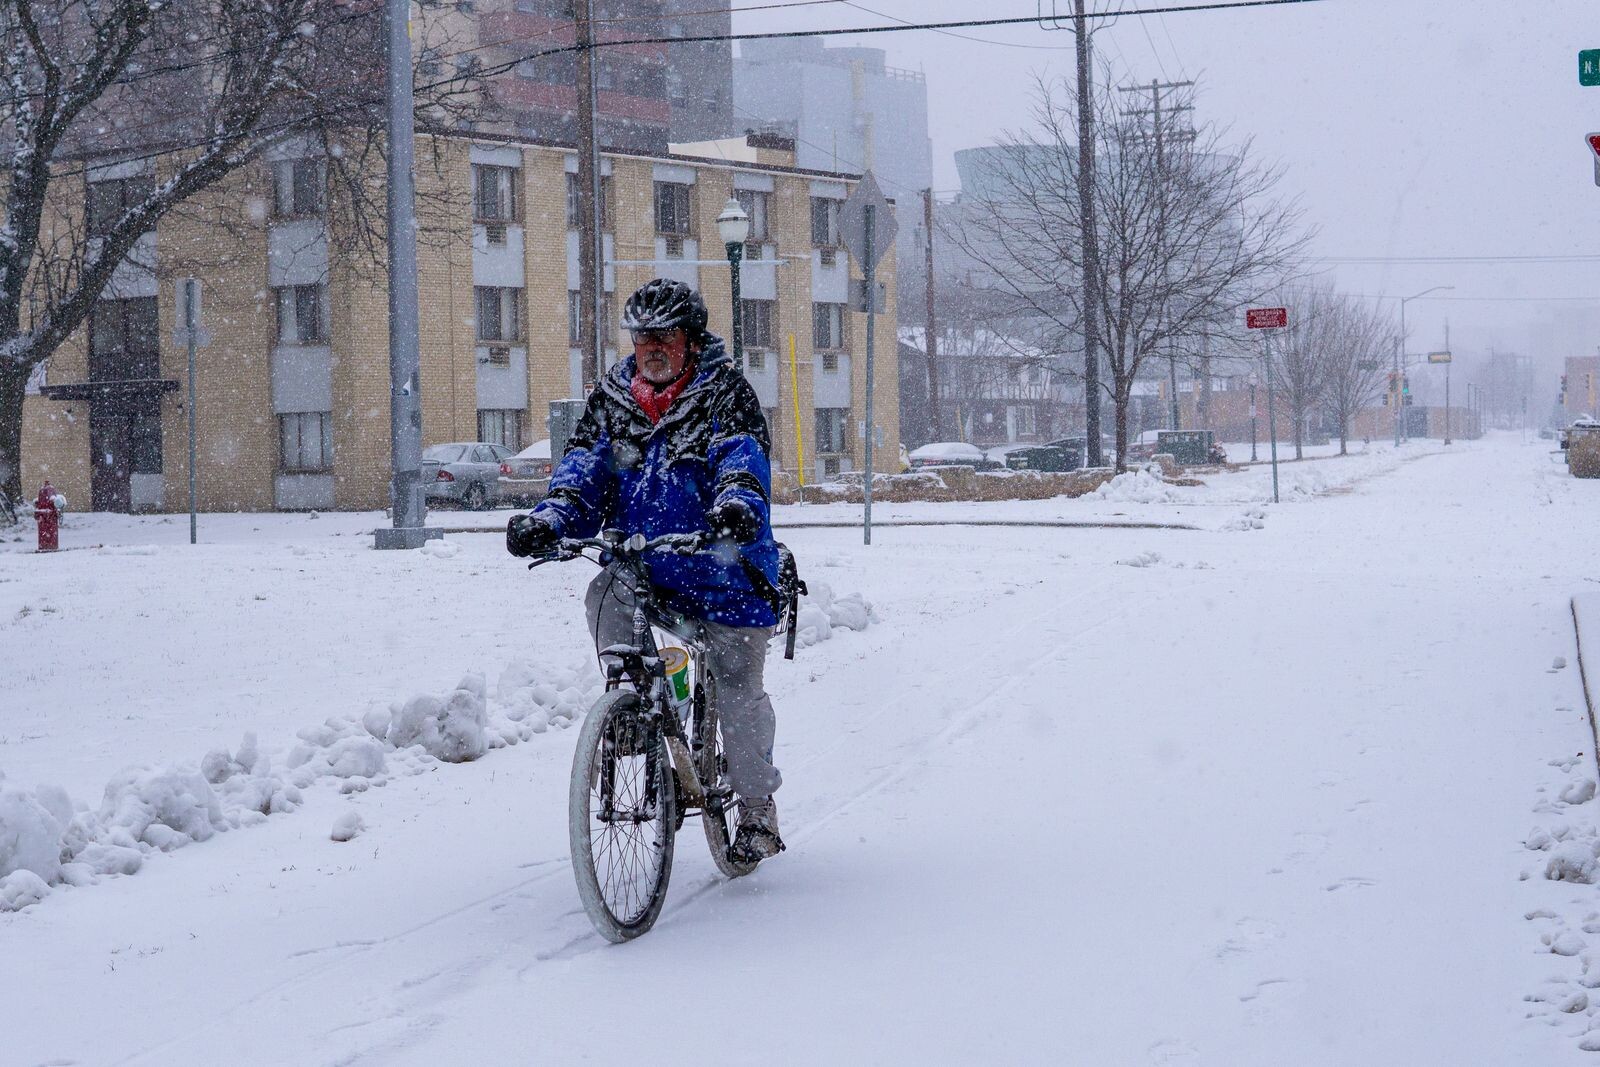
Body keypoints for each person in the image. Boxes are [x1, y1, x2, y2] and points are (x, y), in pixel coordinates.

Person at [506, 278, 785, 863]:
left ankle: (757, 810)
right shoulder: (612, 398)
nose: (651, 347)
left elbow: (743, 461)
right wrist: (551, 518)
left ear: (690, 338)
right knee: (605, 591)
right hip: (649, 565)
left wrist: (736, 508)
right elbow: (582, 470)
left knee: (738, 696)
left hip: (727, 573)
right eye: (641, 337)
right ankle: (633, 705)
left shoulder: (725, 394)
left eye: (664, 336)